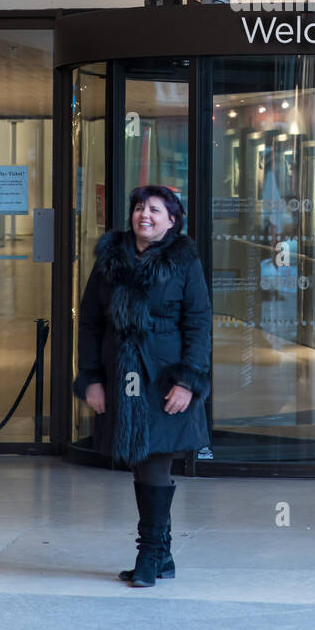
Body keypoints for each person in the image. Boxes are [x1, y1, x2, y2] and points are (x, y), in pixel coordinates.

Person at [72, 185, 211, 587]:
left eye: (154, 209)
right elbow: (91, 322)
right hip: (120, 373)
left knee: (153, 461)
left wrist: (188, 381)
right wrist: (92, 379)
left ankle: (149, 554)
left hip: (164, 376)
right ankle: (162, 553)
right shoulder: (110, 258)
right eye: (138, 208)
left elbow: (199, 322)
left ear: (172, 220)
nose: (144, 215)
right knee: (140, 461)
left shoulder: (184, 261)